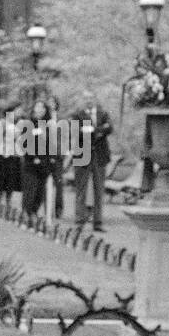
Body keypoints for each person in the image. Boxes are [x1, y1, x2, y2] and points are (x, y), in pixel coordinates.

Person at [69, 89, 113, 231]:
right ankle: (80, 220)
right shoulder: (77, 115)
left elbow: (110, 127)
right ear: (83, 100)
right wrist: (99, 130)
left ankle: (98, 222)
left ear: (95, 99)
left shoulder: (103, 113)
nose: (88, 100)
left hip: (100, 155)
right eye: (86, 98)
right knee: (81, 188)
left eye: (91, 98)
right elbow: (77, 131)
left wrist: (91, 130)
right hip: (82, 154)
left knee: (99, 190)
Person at [20, 97, 57, 225]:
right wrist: (33, 157)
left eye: (42, 107)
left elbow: (52, 144)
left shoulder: (48, 124)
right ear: (34, 109)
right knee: (30, 188)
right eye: (37, 107)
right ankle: (27, 212)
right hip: (31, 162)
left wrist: (51, 158)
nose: (39, 110)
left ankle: (34, 211)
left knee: (40, 191)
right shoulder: (28, 123)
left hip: (44, 162)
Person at [0, 102, 23, 216]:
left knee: (11, 185)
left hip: (14, 157)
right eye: (18, 110)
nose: (20, 112)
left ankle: (8, 209)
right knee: (0, 185)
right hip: (4, 156)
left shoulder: (19, 123)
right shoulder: (2, 123)